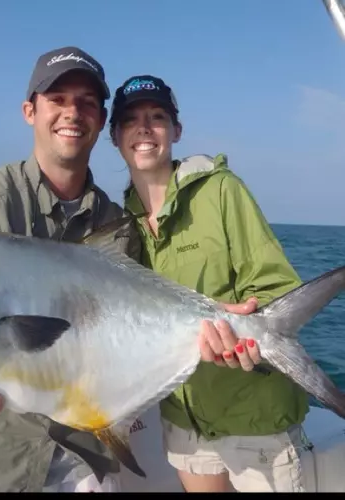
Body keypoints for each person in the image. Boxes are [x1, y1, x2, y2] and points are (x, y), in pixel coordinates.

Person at [0, 47, 261, 493]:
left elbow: (125, 326)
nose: (73, 112)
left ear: (101, 121)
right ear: (30, 110)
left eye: (87, 102)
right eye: (58, 99)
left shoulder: (114, 223)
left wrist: (203, 324)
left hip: (76, 450)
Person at [108, 74, 311, 492]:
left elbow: (277, 289)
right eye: (131, 119)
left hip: (254, 418)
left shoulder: (221, 190)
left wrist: (246, 339)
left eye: (157, 116)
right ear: (115, 136)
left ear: (176, 131)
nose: (144, 128)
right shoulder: (118, 226)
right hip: (184, 420)